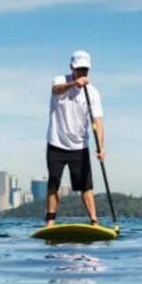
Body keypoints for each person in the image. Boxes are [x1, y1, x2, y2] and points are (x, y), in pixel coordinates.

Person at [44, 50, 105, 227]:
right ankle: (50, 222)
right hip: (56, 142)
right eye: (79, 70)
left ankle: (94, 221)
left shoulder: (92, 93)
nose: (82, 74)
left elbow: (98, 122)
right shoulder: (60, 81)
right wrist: (73, 84)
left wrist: (101, 147)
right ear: (72, 67)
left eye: (85, 70)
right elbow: (55, 91)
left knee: (86, 186)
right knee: (53, 183)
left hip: (80, 145)